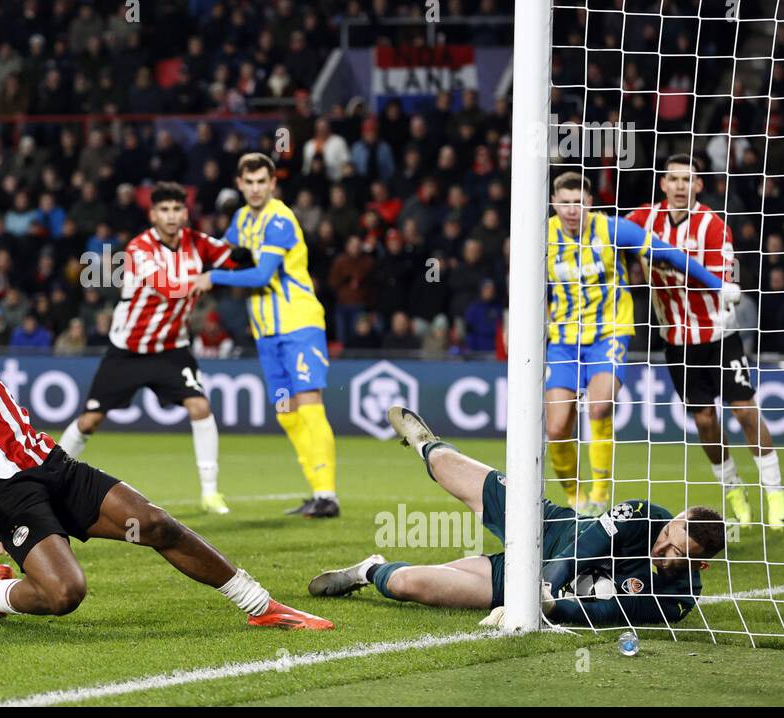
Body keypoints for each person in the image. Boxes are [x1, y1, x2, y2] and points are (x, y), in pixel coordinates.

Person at [0, 242, 333, 630]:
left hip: (46, 458)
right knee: (66, 593)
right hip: (1, 489)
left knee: (153, 522)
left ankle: (261, 606)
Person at [309, 406, 726, 629]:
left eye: (676, 550)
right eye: (669, 533)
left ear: (701, 562)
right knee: (446, 466)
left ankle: (367, 570)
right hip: (546, 526)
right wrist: (545, 586)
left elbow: (607, 615)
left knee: (406, 584)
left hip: (520, 579)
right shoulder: (645, 516)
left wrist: (546, 606)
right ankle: (425, 445)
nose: (663, 545)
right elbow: (585, 547)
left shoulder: (677, 599)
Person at [544, 172, 734, 516]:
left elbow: (671, 255)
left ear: (589, 203)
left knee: (599, 407)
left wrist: (717, 285)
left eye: (579, 202)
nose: (572, 210)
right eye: (565, 202)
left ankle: (599, 497)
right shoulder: (542, 235)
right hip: (563, 340)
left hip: (609, 333)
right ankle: (574, 499)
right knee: (557, 427)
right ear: (555, 203)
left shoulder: (611, 229)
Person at [58, 182, 252, 514]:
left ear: (185, 212)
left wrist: (248, 242)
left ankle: (210, 493)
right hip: (129, 350)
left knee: (200, 408)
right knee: (90, 421)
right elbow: (169, 288)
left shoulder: (199, 243)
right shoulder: (138, 249)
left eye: (177, 209)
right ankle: (53, 478)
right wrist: (210, 278)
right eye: (164, 210)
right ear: (153, 214)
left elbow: (237, 261)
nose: (171, 216)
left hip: (172, 348)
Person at [627, 155, 782, 530]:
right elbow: (611, 236)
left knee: (745, 409)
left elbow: (714, 278)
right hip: (676, 340)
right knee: (704, 419)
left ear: (699, 186)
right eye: (674, 179)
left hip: (719, 334)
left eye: (688, 180)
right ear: (662, 184)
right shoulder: (643, 219)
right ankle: (733, 491)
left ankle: (775, 494)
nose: (681, 186)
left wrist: (660, 262)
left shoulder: (713, 225)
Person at [193, 153, 339, 518]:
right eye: (250, 182)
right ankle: (316, 493)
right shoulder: (242, 219)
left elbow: (260, 275)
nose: (256, 188)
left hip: (299, 324)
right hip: (266, 332)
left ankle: (327, 493)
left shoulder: (280, 220)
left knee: (308, 403)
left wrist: (213, 278)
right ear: (240, 185)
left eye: (263, 182)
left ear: (273, 184)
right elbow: (223, 254)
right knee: (285, 410)